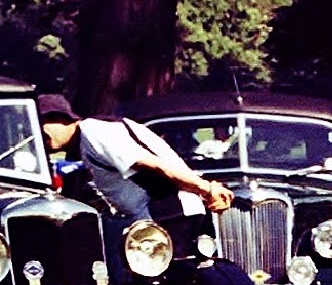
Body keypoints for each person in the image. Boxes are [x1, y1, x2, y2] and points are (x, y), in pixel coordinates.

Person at [36, 93, 231, 219]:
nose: (39, 133)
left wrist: (207, 189)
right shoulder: (90, 136)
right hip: (163, 214)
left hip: (169, 212)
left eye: (41, 123)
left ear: (60, 117)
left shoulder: (94, 133)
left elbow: (155, 165)